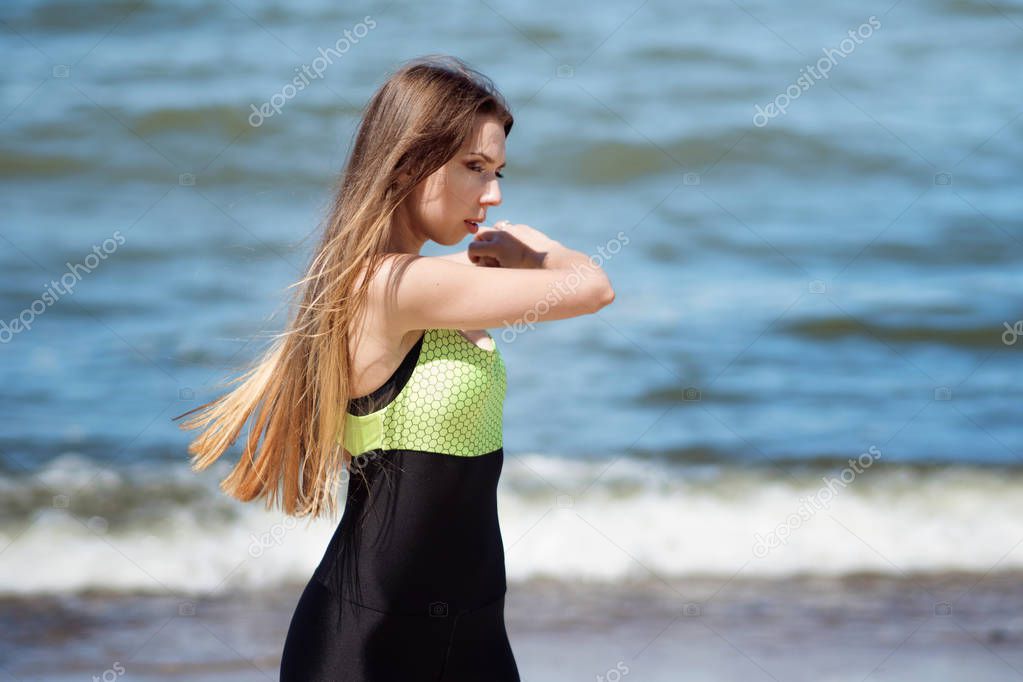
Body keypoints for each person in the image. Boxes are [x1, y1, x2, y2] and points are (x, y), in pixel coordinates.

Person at [173, 54, 614, 681]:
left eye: (499, 172)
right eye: (474, 168)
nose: (493, 195)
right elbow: (592, 288)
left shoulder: (417, 282)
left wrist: (507, 259)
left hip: (473, 636)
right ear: (409, 162)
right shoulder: (392, 285)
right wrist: (534, 249)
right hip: (368, 647)